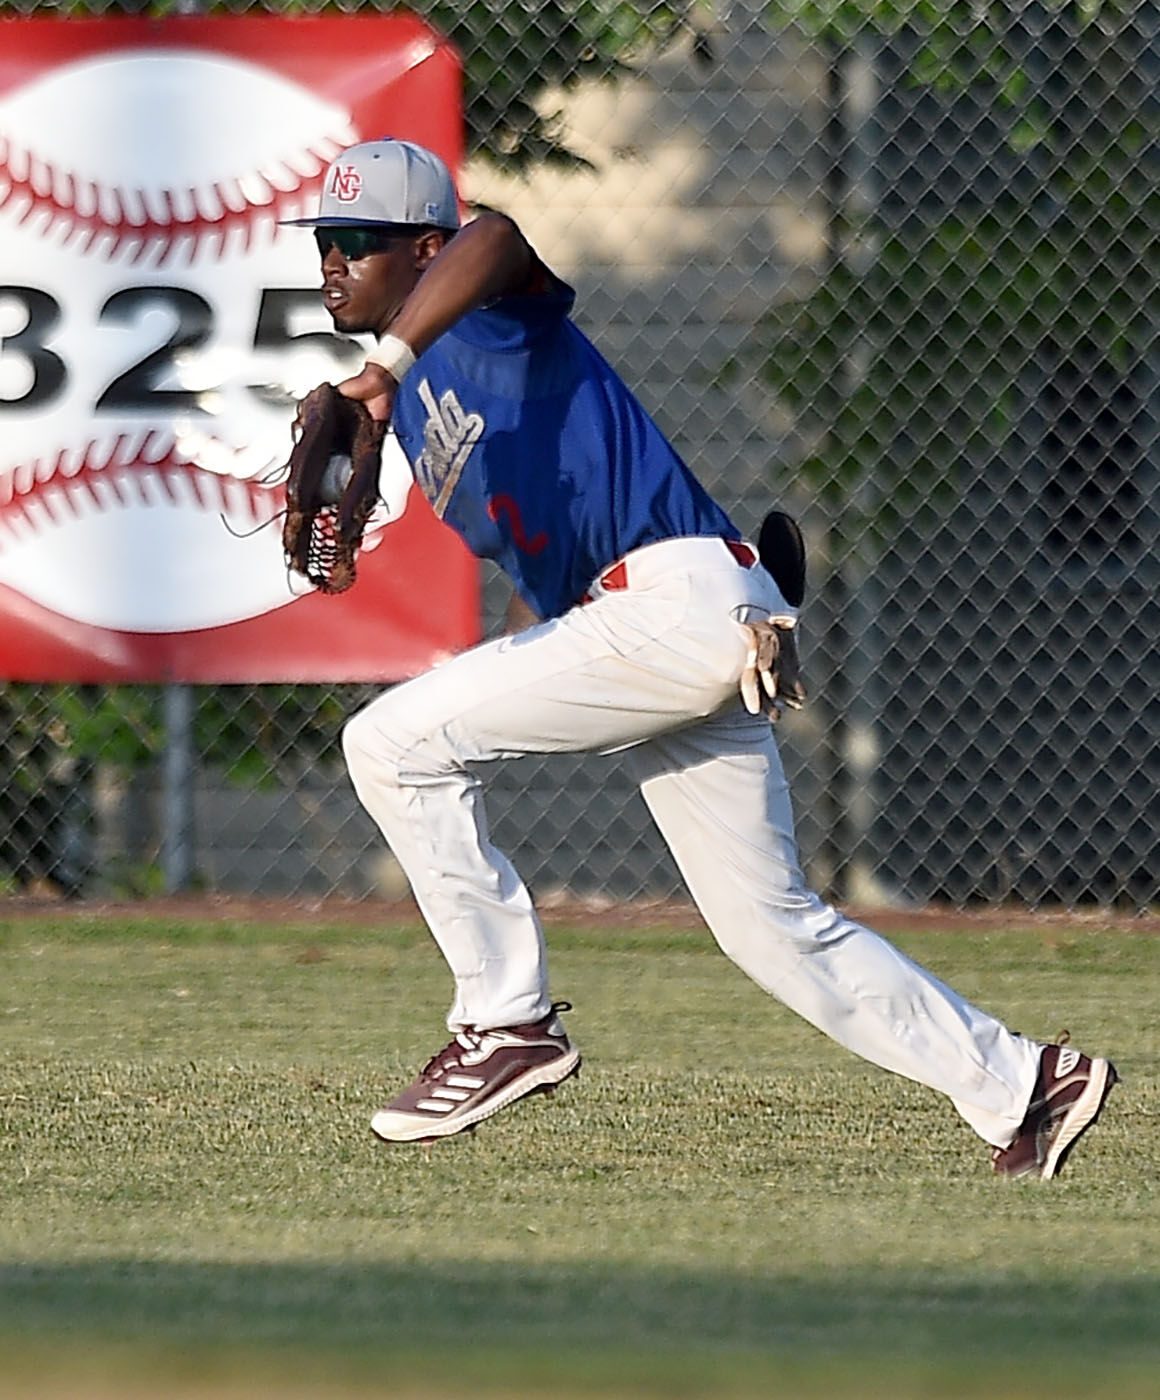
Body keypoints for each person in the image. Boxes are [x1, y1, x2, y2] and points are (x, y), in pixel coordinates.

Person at [285, 138, 1117, 1178]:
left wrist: (383, 366)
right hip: (671, 622)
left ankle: (505, 1024)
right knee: (770, 929)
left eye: (356, 243)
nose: (330, 264)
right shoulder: (406, 407)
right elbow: (544, 554)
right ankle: (1025, 1082)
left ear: (419, 247)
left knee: (389, 740)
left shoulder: (477, 307)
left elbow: (493, 236)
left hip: (673, 603)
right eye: (322, 243)